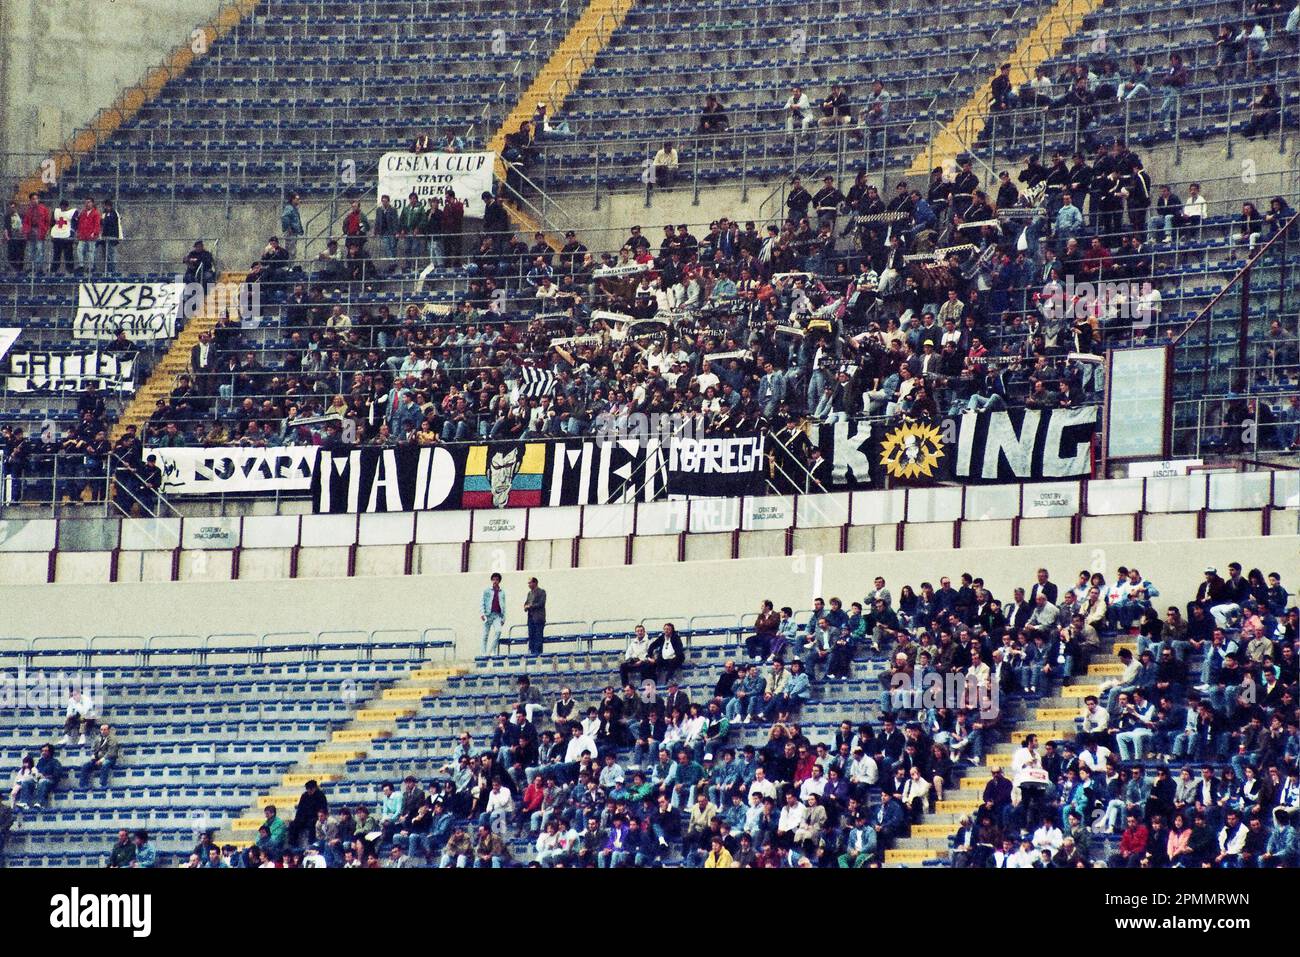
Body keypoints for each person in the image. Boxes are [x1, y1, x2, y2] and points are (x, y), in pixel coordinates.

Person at [77, 724, 120, 789]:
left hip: (110, 759)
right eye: (101, 730)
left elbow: (111, 753)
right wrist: (93, 755)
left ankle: (103, 784)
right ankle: (83, 785)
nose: (103, 731)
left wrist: (101, 760)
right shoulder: (98, 738)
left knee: (105, 764)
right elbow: (93, 749)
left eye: (105, 730)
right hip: (98, 758)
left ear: (108, 730)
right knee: (85, 766)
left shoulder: (113, 739)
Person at [481, 572, 506, 656]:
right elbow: (482, 602)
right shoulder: (486, 591)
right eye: (493, 579)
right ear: (491, 580)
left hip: (497, 615)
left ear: (499, 581)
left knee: (498, 631)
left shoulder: (502, 592)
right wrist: (482, 613)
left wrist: (503, 618)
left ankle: (492, 650)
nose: (495, 581)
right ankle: (483, 653)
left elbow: (503, 605)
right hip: (488, 614)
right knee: (485, 635)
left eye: (497, 580)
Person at [524, 576, 547, 654]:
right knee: (531, 637)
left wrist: (530, 606)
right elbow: (526, 603)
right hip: (530, 618)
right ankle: (532, 653)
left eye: (530, 583)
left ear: (535, 583)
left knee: (538, 637)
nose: (529, 584)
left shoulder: (542, 592)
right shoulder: (529, 593)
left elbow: (541, 603)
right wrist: (525, 607)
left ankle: (538, 654)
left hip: (538, 619)